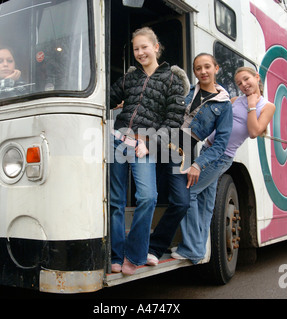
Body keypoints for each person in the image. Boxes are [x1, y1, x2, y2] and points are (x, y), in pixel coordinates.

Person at [172, 66, 275, 263]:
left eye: (246, 79)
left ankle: (191, 247)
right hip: (208, 150)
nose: (244, 85)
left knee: (188, 192)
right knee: (206, 203)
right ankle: (198, 248)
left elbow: (254, 132)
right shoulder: (235, 101)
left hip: (221, 156)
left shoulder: (266, 105)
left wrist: (252, 105)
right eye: (239, 83)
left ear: (257, 77)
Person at [109, 27, 189, 275]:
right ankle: (115, 254)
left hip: (145, 145)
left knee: (147, 197)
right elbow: (107, 97)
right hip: (118, 140)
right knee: (116, 202)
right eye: (136, 48)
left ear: (156, 47)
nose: (140, 52)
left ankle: (135, 254)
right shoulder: (130, 77)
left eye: (145, 47)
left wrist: (151, 143)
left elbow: (173, 121)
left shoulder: (173, 79)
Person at [147, 53, 233, 266]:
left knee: (182, 201)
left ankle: (155, 248)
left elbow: (221, 144)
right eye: (198, 68)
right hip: (160, 137)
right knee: (147, 194)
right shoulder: (186, 90)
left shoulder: (223, 105)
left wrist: (197, 164)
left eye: (207, 67)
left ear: (216, 68)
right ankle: (138, 244)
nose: (203, 72)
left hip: (183, 146)